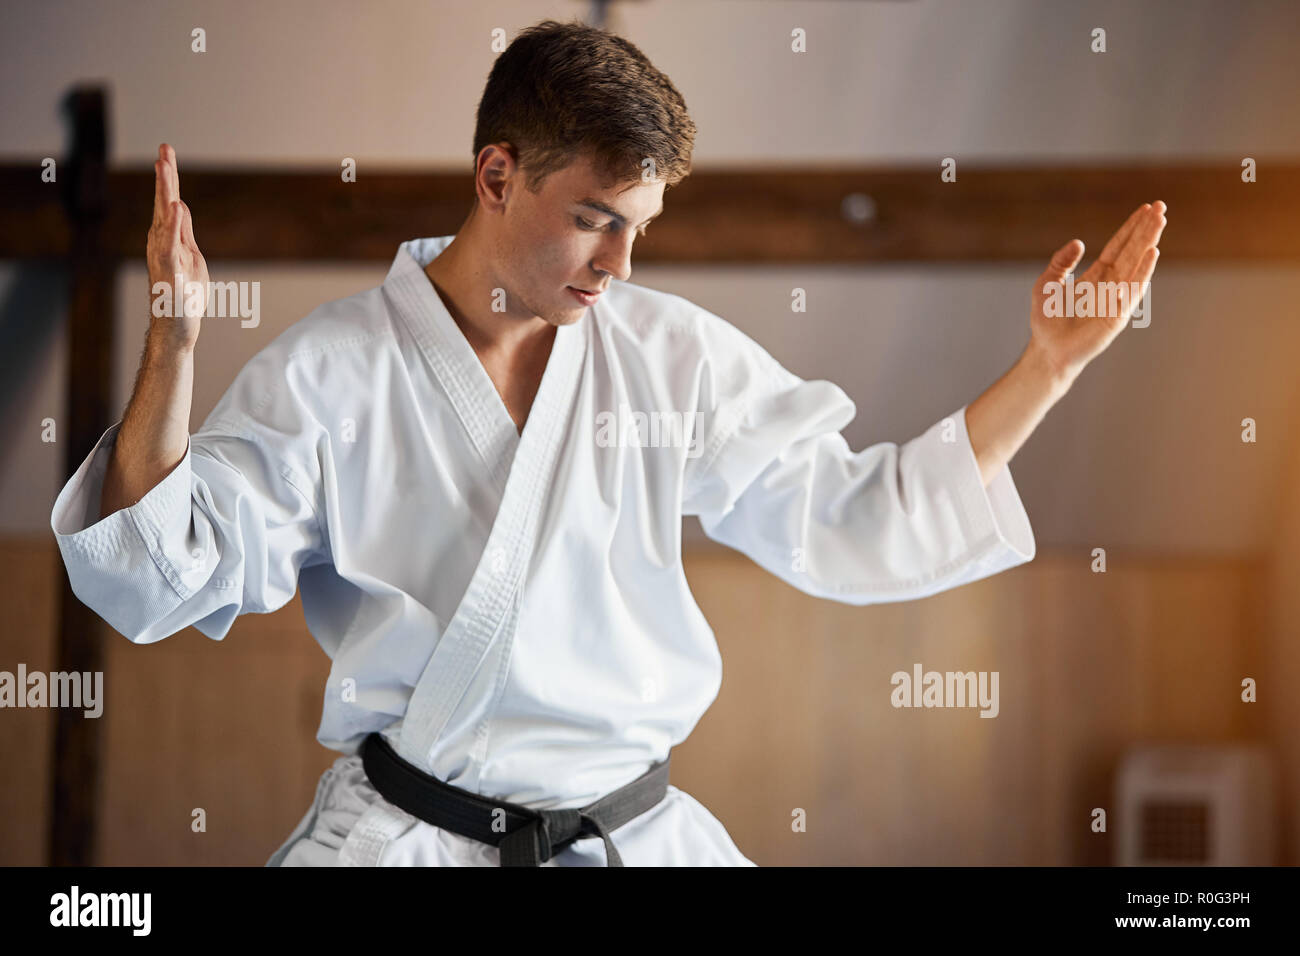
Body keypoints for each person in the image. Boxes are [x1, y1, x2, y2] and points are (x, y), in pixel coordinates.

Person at [49, 19, 1166, 866]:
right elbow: (157, 567)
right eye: (595, 219)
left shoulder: (669, 358)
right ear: (497, 175)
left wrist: (1049, 368)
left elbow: (856, 518)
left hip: (629, 837)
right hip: (413, 836)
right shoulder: (332, 372)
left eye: (640, 229)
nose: (619, 266)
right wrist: (177, 344)